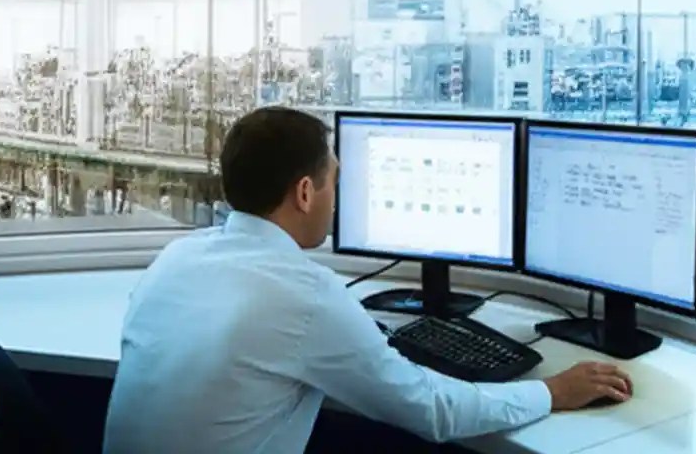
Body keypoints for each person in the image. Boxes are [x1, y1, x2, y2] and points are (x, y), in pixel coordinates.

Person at [103, 106, 631, 454]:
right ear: (306, 192)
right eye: (335, 182)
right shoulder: (305, 297)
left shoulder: (175, 258)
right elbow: (431, 411)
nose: (338, 200)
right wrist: (551, 392)